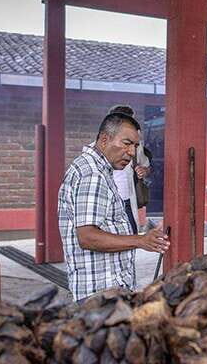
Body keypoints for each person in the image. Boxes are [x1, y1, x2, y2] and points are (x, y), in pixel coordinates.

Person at [58, 112, 169, 302]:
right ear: (104, 140)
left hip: (106, 290)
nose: (132, 152)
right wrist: (141, 240)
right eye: (126, 143)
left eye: (135, 146)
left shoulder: (97, 169)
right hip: (100, 293)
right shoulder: (92, 175)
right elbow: (88, 237)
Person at [107, 105, 151, 234]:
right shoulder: (102, 144)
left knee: (132, 235)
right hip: (107, 201)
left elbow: (146, 166)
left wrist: (143, 170)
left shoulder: (136, 145)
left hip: (127, 200)